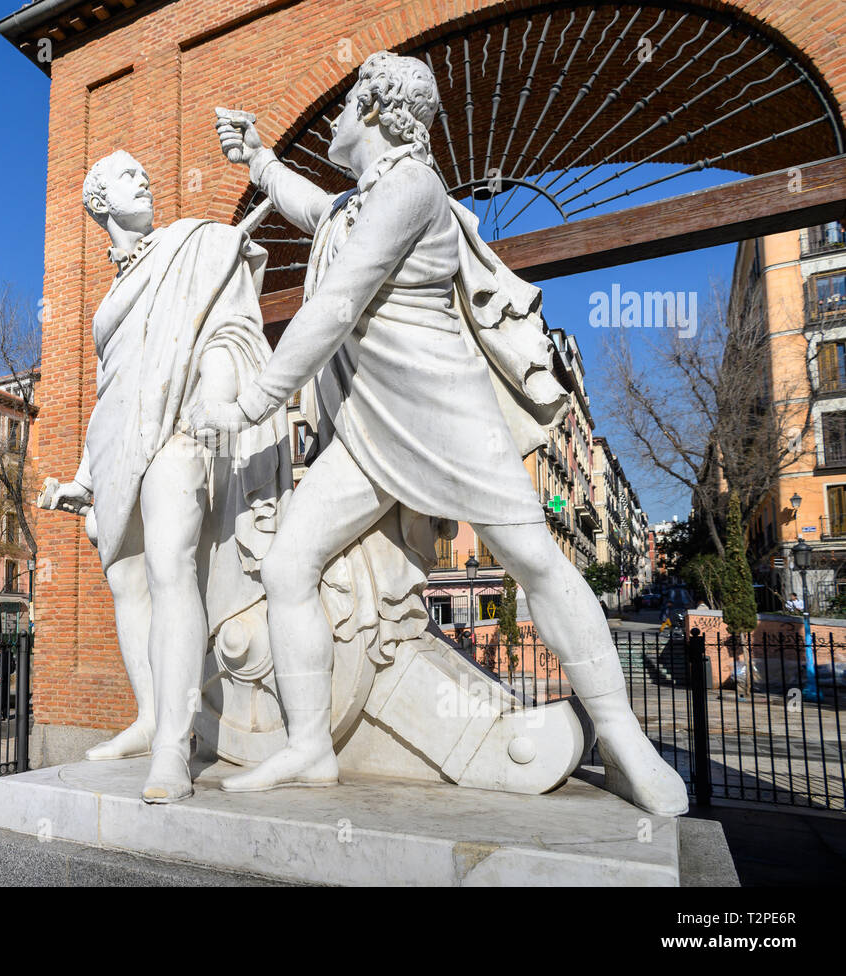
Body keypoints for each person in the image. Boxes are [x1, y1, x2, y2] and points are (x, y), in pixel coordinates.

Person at [195, 52, 688, 816]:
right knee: (290, 564)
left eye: (345, 101)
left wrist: (257, 399)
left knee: (534, 559)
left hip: (445, 411)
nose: (330, 117)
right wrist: (259, 160)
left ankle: (623, 738)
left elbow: (332, 306)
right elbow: (314, 210)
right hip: (368, 426)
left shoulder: (413, 190)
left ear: (375, 113)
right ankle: (310, 746)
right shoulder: (360, 203)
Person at [43, 151, 291, 802]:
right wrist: (83, 479)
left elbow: (229, 325)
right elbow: (109, 397)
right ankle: (152, 714)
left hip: (182, 427)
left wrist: (216, 389)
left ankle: (174, 750)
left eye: (143, 172)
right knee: (127, 577)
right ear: (98, 201)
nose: (144, 179)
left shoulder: (193, 244)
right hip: (120, 443)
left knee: (170, 564)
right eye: (127, 176)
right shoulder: (107, 308)